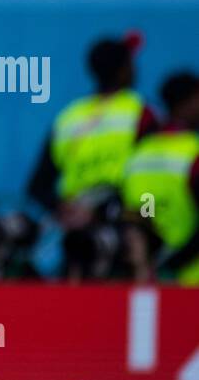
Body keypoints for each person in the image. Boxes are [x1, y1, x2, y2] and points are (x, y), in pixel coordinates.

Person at [26, 32, 159, 279]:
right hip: (120, 230)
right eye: (131, 63)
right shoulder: (141, 113)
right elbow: (153, 176)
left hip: (75, 229)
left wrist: (64, 209)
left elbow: (37, 186)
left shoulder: (69, 117)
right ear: (124, 70)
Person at [121, 71, 199, 284]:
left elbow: (142, 211)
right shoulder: (194, 151)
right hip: (189, 279)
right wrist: (173, 263)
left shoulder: (139, 153)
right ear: (186, 103)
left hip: (153, 277)